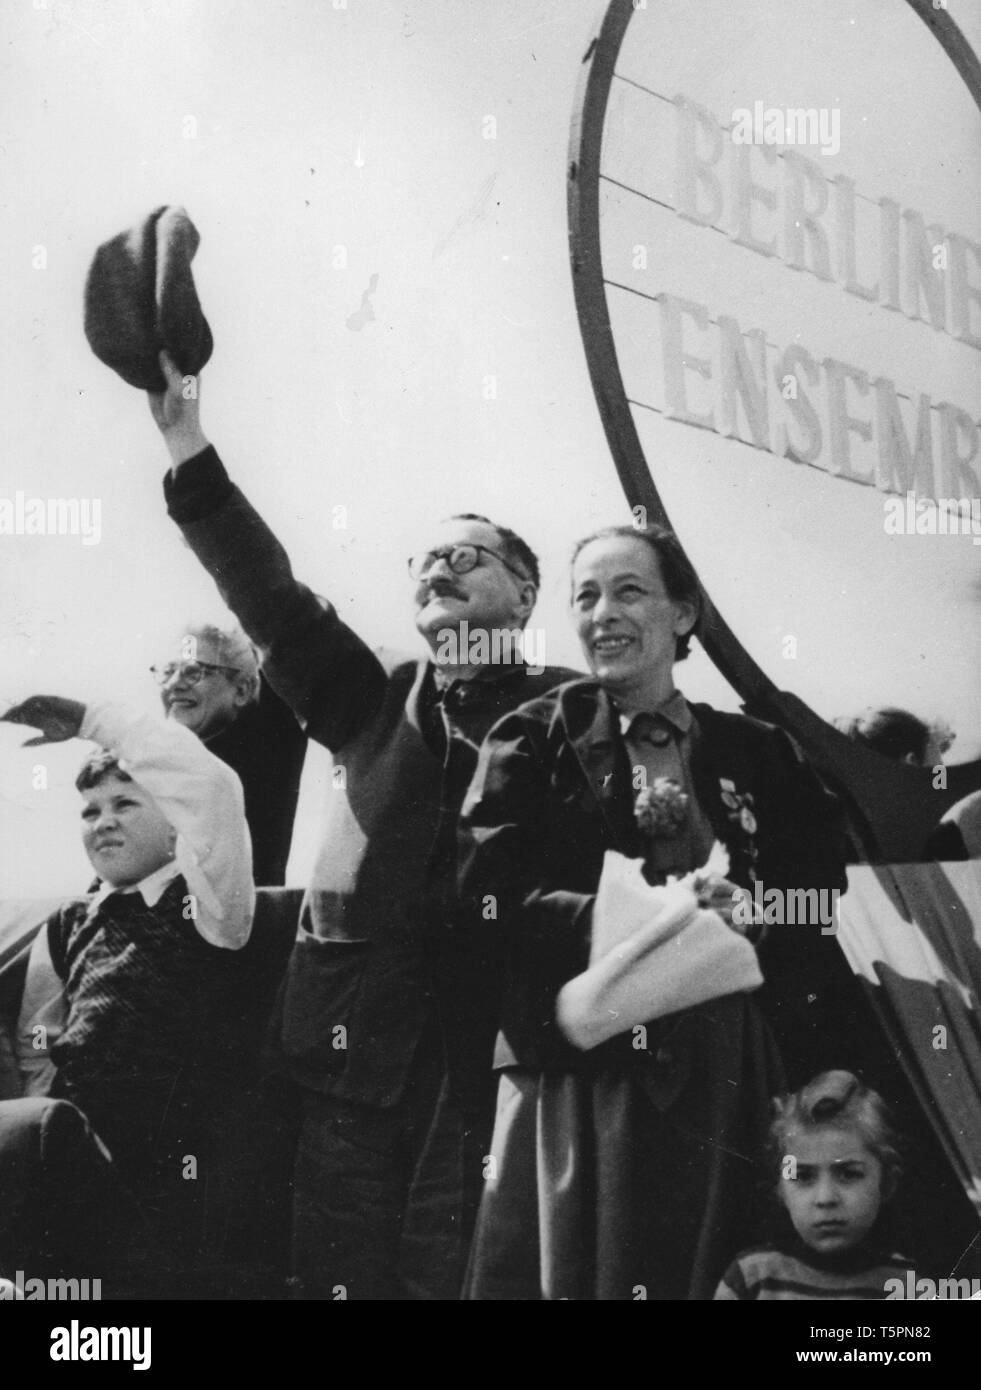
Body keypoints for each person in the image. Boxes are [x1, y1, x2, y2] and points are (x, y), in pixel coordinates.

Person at [144, 349, 576, 1300]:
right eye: (424, 559)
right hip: (347, 1061)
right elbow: (266, 595)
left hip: (492, 1063)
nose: (439, 568)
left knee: (455, 1277)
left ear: (524, 593)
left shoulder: (574, 709)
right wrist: (183, 436)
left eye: (468, 555)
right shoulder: (371, 695)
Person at [458, 523, 865, 1300]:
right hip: (582, 1073)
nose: (602, 613)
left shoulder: (760, 751)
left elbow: (816, 897)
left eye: (629, 591)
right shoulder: (531, 739)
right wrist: (643, 914)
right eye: (585, 596)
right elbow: (485, 898)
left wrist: (752, 911)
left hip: (727, 1070)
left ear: (682, 614)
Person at [1, 692, 254, 1295]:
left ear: (178, 820)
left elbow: (210, 788)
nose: (104, 820)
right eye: (90, 811)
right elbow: (39, 1040)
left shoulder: (207, 903)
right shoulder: (68, 922)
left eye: (125, 804)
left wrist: (95, 722)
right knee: (60, 1286)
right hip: (79, 1138)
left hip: (178, 1147)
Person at [714, 1070, 914, 1300]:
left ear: (886, 1183)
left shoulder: (906, 1286)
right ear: (781, 1189)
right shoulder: (751, 1277)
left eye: (849, 1174)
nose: (825, 1198)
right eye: (803, 1177)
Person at [152, 622, 307, 885]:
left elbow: (285, 636)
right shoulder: (149, 767)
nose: (175, 684)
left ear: (243, 690)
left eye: (193, 672)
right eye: (168, 671)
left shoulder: (269, 740)